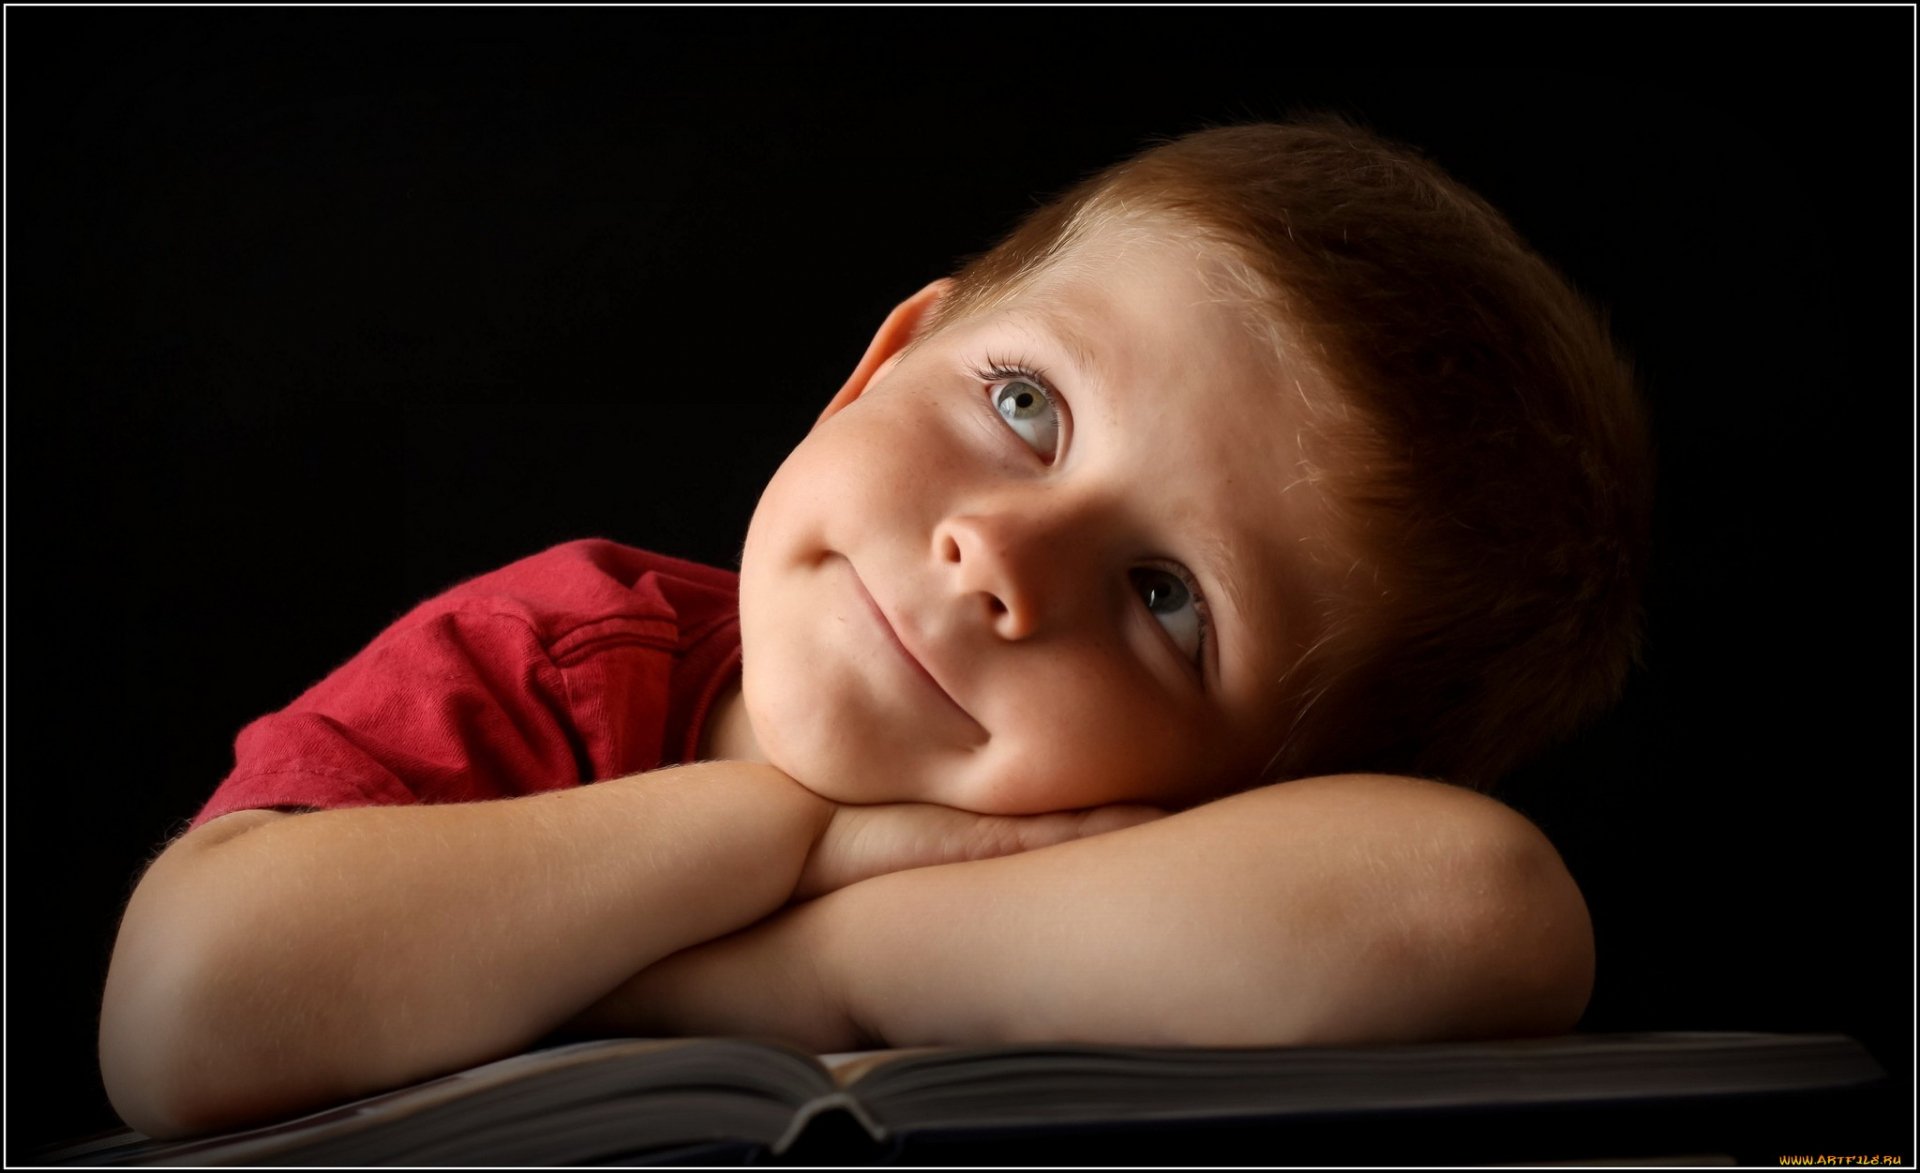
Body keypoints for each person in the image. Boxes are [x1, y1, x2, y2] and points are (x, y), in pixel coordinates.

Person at [98, 117, 1652, 1139]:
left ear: (1239, 791)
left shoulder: (1135, 866)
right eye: (1026, 405)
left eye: (1166, 597)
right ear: (883, 359)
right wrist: (794, 830)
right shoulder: (563, 648)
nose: (999, 556)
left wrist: (815, 971)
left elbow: (1476, 909)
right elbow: (181, 1016)